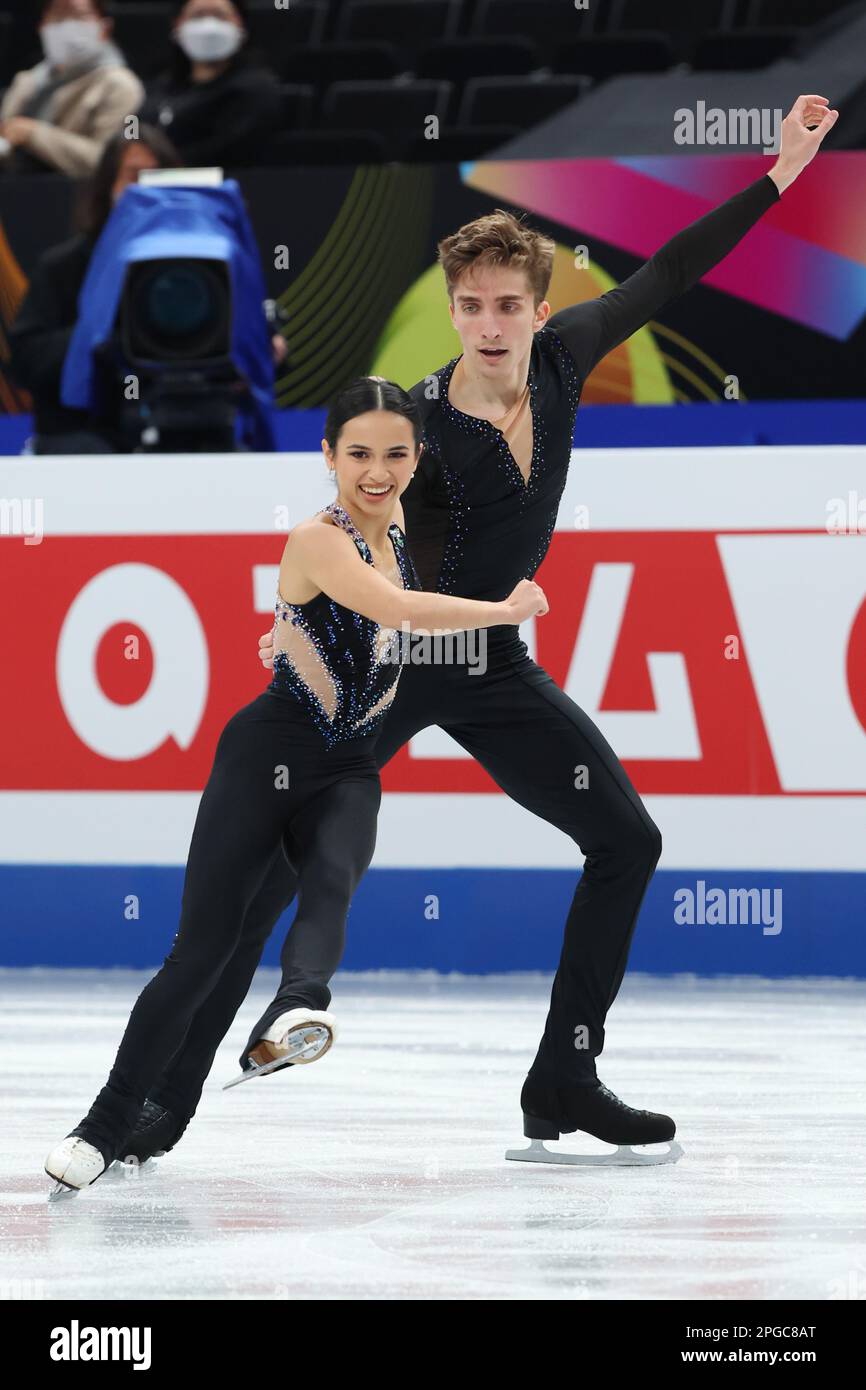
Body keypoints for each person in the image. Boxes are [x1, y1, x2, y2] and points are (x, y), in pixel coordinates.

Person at [119, 94, 837, 1170]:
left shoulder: (565, 355)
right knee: (267, 889)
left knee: (626, 842)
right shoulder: (412, 421)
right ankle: (157, 1109)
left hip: (491, 666)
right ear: (451, 310)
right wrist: (296, 622)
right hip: (392, 670)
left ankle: (563, 1075)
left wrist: (779, 175)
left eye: (507, 302)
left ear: (537, 305)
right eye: (471, 305)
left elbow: (670, 269)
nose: (491, 324)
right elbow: (354, 524)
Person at [43, 376, 549, 1194]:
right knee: (207, 952)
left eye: (394, 452)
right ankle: (107, 1126)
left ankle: (290, 1013)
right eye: (358, 454)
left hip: (346, 762)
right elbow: (400, 612)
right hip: (266, 754)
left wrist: (288, 632)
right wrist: (503, 610)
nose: (376, 470)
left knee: (331, 881)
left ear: (417, 458)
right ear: (328, 457)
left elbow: (365, 624)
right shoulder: (321, 537)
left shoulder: (397, 531)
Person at [7, 125, 181, 454]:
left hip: (181, 428)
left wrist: (262, 348)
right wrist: (99, 328)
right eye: (134, 176)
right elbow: (27, 361)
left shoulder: (201, 269)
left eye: (156, 177)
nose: (145, 191)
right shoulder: (65, 266)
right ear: (107, 186)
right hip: (81, 432)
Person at [0, 0, 143, 178]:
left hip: (77, 197)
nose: (68, 24)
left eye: (78, 15)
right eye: (59, 15)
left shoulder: (120, 85)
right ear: (41, 26)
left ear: (104, 28)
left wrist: (33, 134)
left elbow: (113, 161)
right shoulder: (27, 81)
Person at [137, 0, 282, 170]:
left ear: (241, 24)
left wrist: (167, 165)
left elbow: (234, 150)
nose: (209, 26)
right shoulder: (157, 89)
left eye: (220, 15)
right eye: (197, 16)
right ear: (177, 25)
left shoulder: (257, 90)